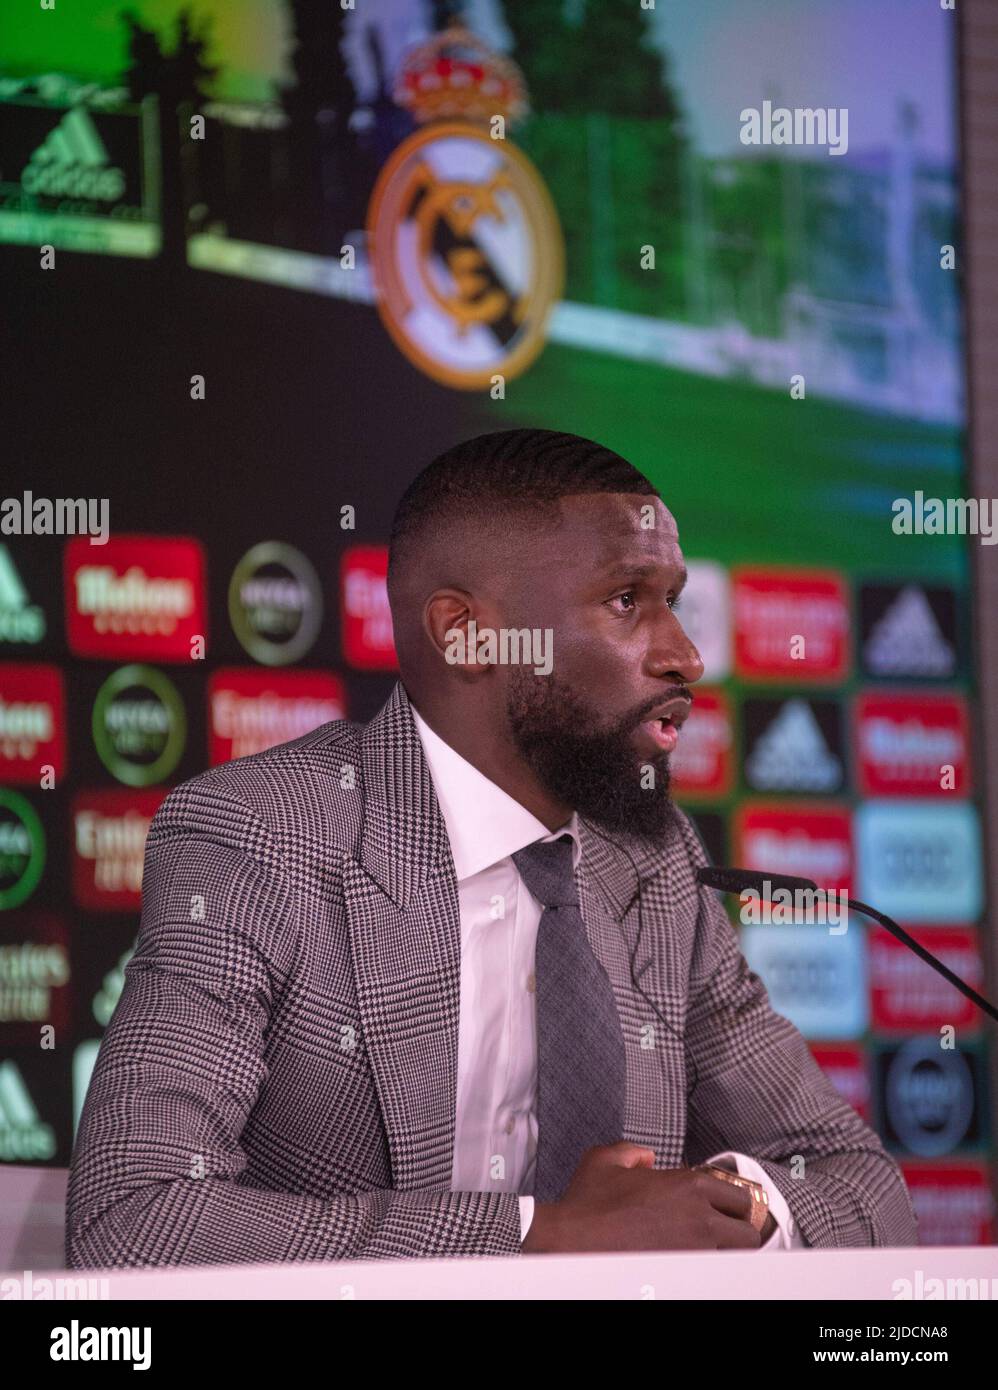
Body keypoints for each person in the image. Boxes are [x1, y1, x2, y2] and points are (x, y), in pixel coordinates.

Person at [65, 428, 918, 1267]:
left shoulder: (655, 867)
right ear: (467, 635)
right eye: (627, 601)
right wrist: (537, 1236)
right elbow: (134, 1219)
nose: (686, 655)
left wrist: (736, 1205)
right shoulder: (262, 837)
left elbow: (861, 1188)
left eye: (675, 601)